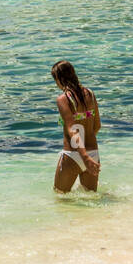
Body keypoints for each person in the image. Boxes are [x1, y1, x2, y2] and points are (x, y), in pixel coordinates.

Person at [51, 60, 101, 194]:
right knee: (91, 198)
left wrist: (83, 156)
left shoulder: (63, 99)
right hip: (93, 153)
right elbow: (97, 125)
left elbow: (72, 130)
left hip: (74, 154)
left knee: (60, 197)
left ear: (59, 79)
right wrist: (88, 154)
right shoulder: (90, 94)